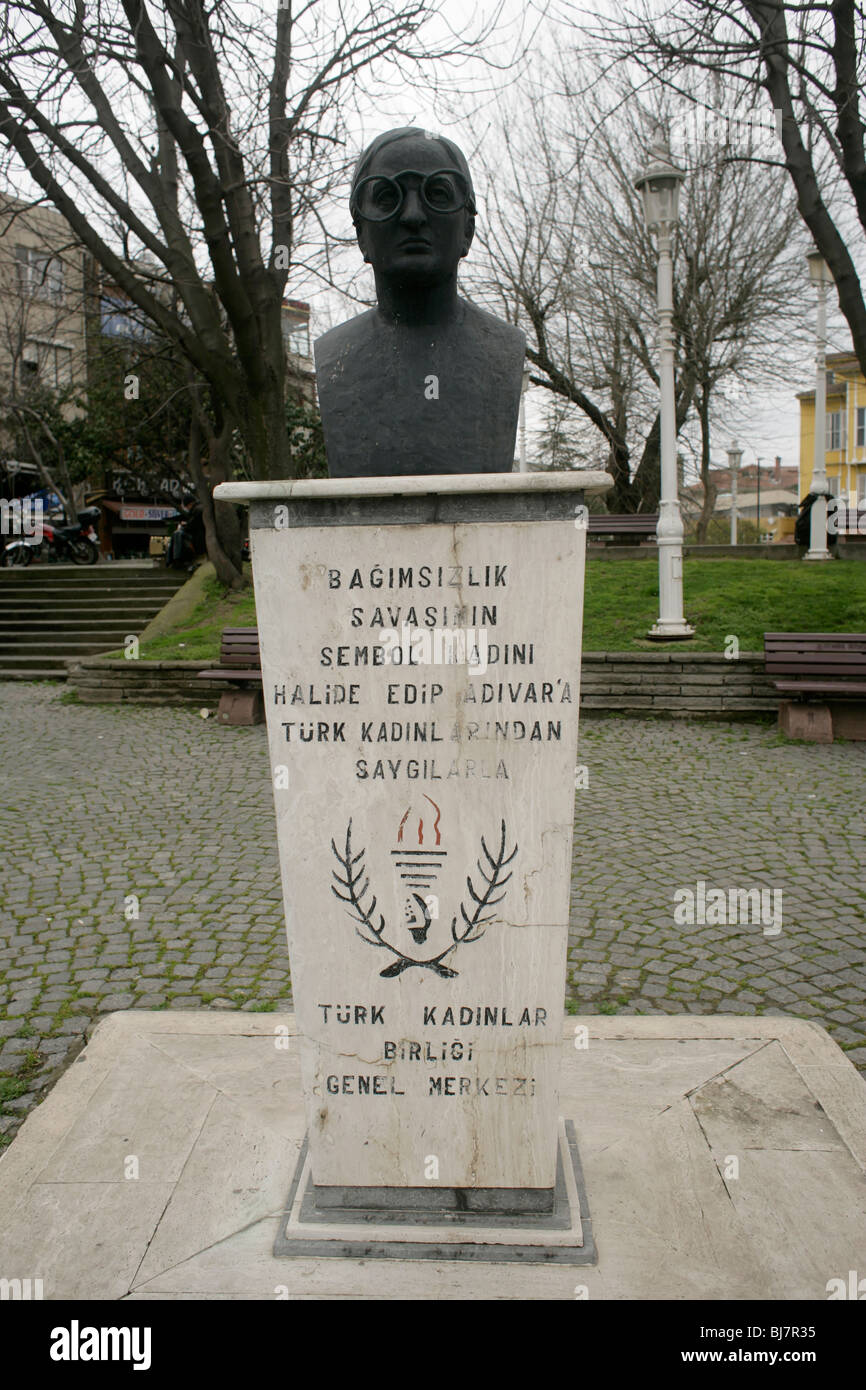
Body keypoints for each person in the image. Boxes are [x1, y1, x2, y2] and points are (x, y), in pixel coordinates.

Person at [314, 128, 526, 477]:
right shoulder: (335, 358)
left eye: (437, 194)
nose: (412, 215)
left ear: (468, 230)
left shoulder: (503, 351)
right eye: (388, 196)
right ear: (361, 234)